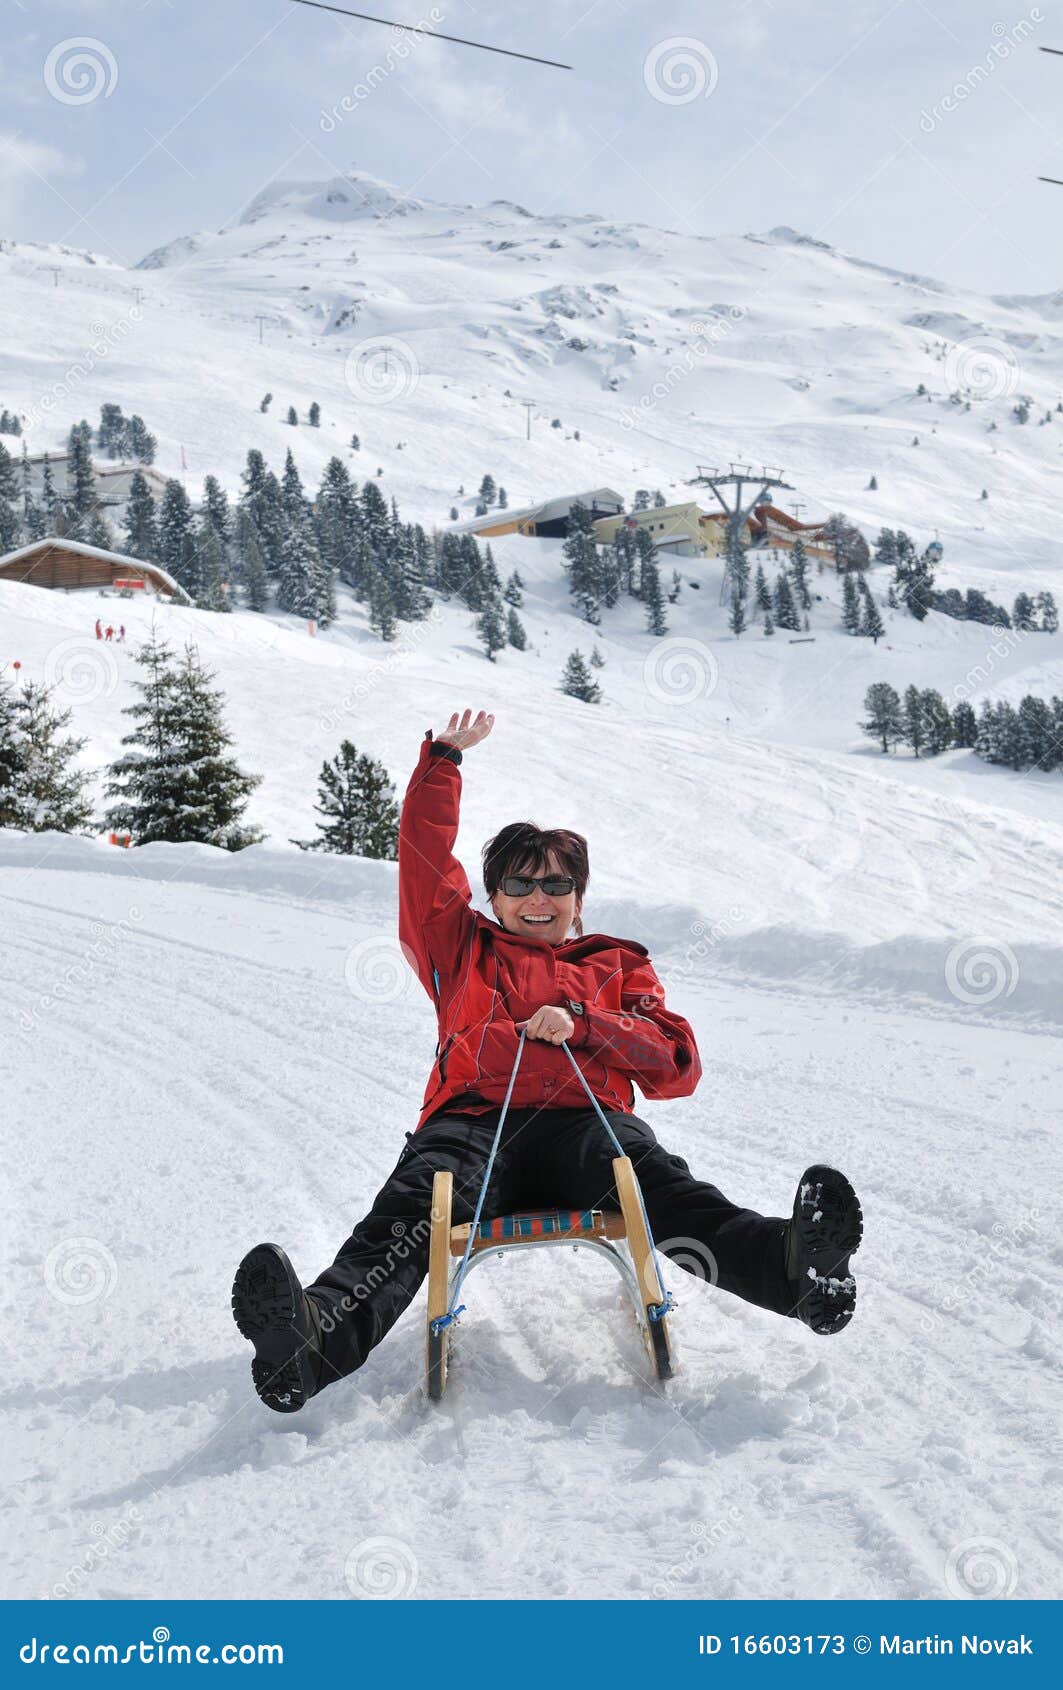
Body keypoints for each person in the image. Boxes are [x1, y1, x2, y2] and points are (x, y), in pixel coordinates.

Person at [233, 709, 862, 1413]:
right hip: (473, 1124)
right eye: (521, 884)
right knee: (415, 1209)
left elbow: (676, 1063)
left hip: (583, 1130)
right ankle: (313, 1338)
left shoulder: (616, 964)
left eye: (557, 885)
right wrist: (441, 763)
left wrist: (589, 1024)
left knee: (657, 1187)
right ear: (493, 896)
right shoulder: (458, 948)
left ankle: (794, 1271)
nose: (539, 899)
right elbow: (422, 864)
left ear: (578, 899)